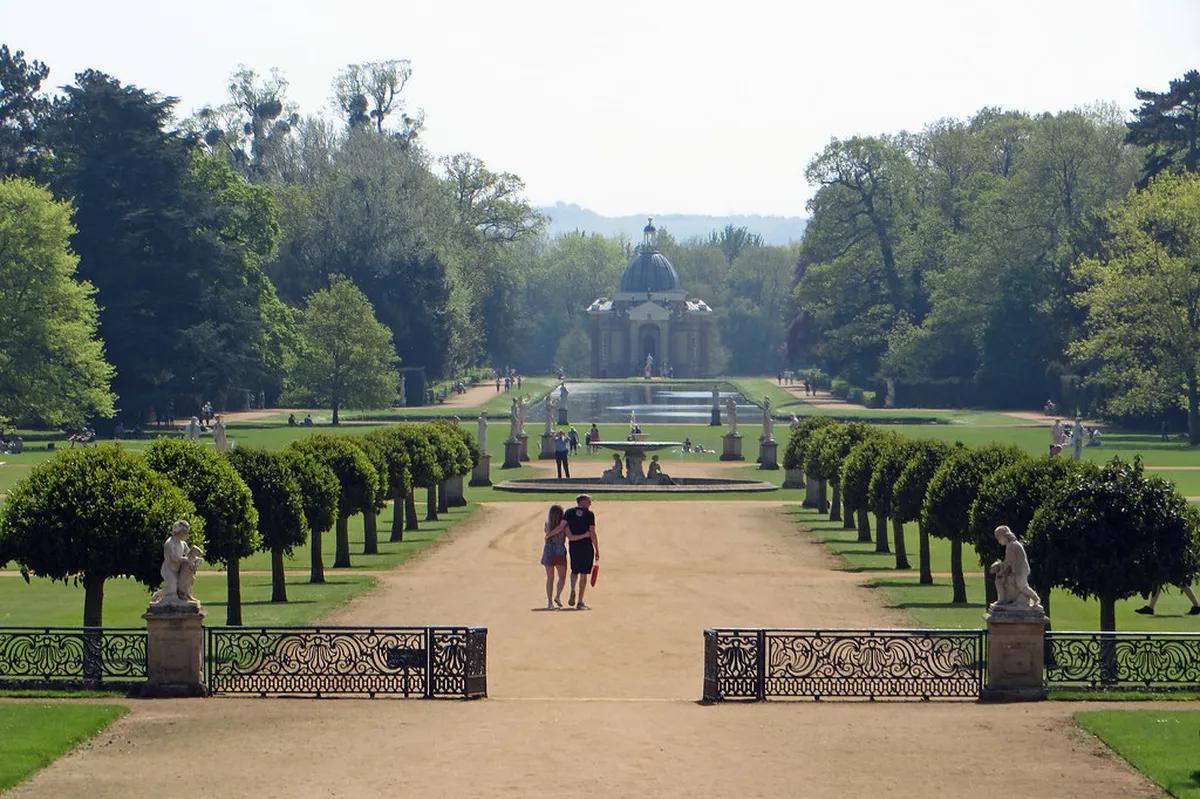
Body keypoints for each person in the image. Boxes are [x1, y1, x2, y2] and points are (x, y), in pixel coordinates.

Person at [564, 495, 598, 610]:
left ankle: (572, 589)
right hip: (586, 546)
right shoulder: (589, 514)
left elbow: (562, 526)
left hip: (574, 546)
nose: (590, 504)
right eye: (589, 501)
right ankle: (580, 601)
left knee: (574, 571)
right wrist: (597, 549)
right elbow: (592, 532)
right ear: (582, 501)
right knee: (583, 574)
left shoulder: (568, 512)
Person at [541, 504, 569, 609]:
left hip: (548, 551)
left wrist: (549, 535)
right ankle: (557, 596)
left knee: (550, 578)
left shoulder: (547, 523)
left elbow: (547, 533)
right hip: (559, 551)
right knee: (562, 577)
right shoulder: (564, 525)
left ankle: (549, 602)